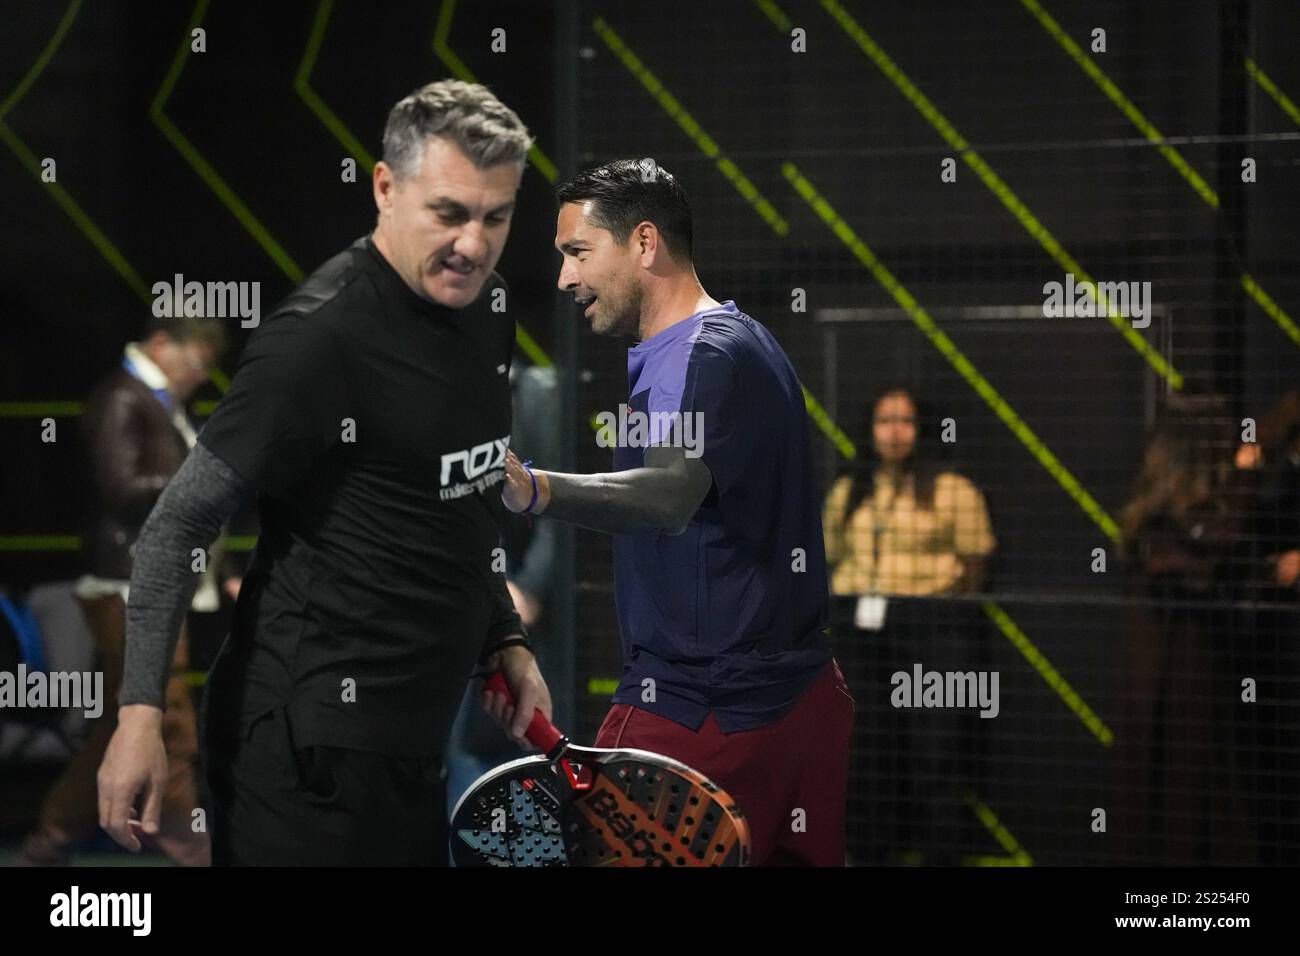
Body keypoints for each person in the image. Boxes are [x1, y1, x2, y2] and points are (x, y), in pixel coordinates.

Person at [96, 79, 550, 866]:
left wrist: (501, 637)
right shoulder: (315, 341)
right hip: (303, 757)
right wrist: (137, 717)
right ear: (384, 186)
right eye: (448, 212)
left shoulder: (490, 309)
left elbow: (466, 490)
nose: (473, 243)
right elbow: (176, 525)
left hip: (415, 741)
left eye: (496, 216)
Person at [490, 158, 853, 866]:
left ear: (645, 244)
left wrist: (533, 488)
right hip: (802, 705)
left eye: (577, 253)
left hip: (702, 716)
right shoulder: (739, 342)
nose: (564, 278)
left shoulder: (699, 356)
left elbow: (669, 498)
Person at [18, 316, 226, 867]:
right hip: (129, 582)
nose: (201, 376)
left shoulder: (151, 399)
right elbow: (122, 488)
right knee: (166, 710)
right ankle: (185, 836)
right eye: (196, 361)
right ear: (163, 343)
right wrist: (207, 477)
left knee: (127, 716)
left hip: (153, 578)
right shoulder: (122, 397)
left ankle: (54, 835)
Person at [821, 383, 997, 864]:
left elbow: (976, 560)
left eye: (904, 421)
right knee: (869, 754)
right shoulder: (849, 491)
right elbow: (832, 556)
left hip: (932, 631)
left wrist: (937, 606)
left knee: (934, 755)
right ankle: (872, 854)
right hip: (861, 632)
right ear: (870, 430)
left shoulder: (951, 489)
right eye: (884, 421)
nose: (894, 432)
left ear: (920, 430)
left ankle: (941, 856)